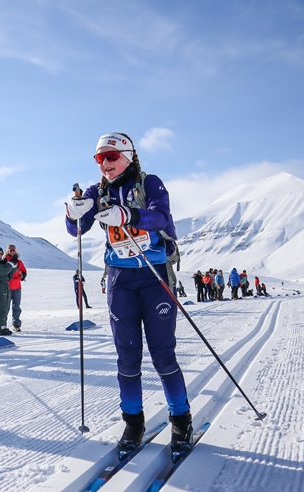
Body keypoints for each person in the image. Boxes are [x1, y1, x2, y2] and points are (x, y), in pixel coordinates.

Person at [65, 132, 193, 458]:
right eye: (99, 159)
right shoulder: (98, 191)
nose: (105, 164)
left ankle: (181, 420)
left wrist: (128, 215)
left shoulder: (149, 182)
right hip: (121, 279)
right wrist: (73, 213)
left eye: (110, 157)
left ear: (128, 155)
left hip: (154, 277)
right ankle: (133, 423)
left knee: (163, 354)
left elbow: (161, 216)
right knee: (127, 357)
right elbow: (76, 230)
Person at [4, 244, 27, 331]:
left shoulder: (19, 262)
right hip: (7, 287)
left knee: (16, 306)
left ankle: (16, 325)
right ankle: (3, 324)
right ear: (8, 251)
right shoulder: (4, 260)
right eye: (11, 250)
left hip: (17, 287)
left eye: (14, 250)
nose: (12, 251)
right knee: (6, 307)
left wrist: (23, 276)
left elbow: (24, 271)